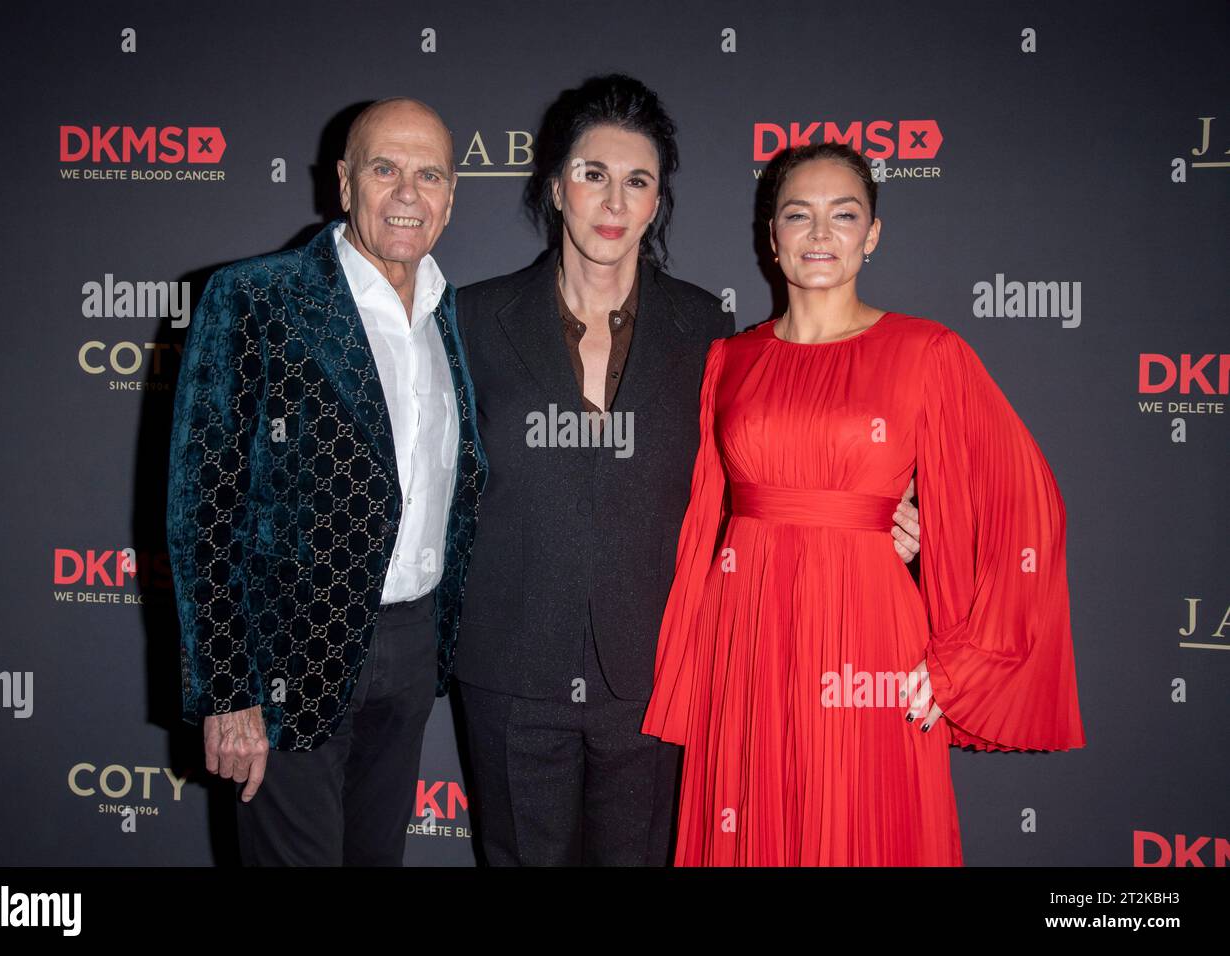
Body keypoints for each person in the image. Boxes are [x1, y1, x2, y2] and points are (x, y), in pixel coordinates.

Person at [452, 76, 923, 866]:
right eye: (593, 174)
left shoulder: (707, 327)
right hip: (510, 665)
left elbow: (752, 471)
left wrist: (873, 519)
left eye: (637, 181)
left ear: (657, 201)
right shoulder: (471, 318)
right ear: (556, 186)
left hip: (658, 669)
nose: (613, 201)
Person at [642, 141, 1086, 866]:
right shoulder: (732, 359)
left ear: (872, 234)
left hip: (866, 635)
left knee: (858, 827)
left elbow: (1026, 507)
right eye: (799, 215)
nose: (821, 235)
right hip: (746, 632)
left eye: (843, 215)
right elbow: (705, 522)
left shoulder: (926, 352)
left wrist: (964, 662)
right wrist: (697, 663)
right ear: (772, 236)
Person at [166, 97, 487, 866]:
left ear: (450, 198)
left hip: (410, 646)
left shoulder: (449, 312)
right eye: (385, 168)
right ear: (345, 183)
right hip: (285, 655)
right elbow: (200, 507)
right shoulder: (256, 298)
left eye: (429, 174)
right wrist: (227, 692)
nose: (407, 192)